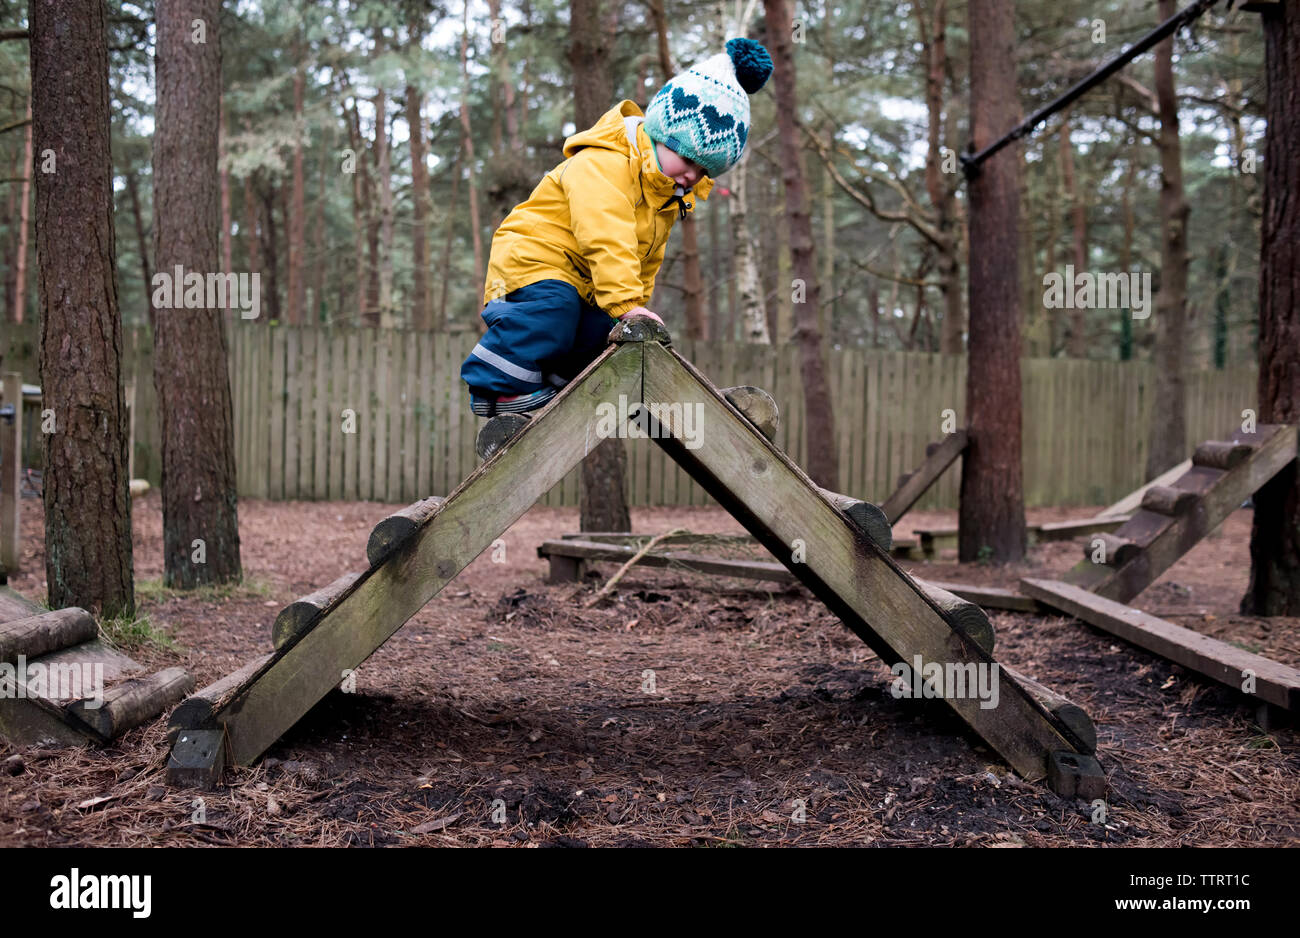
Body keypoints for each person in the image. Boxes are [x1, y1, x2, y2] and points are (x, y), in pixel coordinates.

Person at [460, 37, 773, 416]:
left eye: (704, 170)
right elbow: (606, 236)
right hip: (534, 257)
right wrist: (627, 303)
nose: (692, 174)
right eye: (688, 158)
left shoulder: (665, 194)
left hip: (583, 279)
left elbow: (646, 260)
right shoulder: (606, 163)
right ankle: (494, 386)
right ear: (660, 133)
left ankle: (557, 383)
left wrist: (632, 309)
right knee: (554, 309)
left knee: (602, 332)